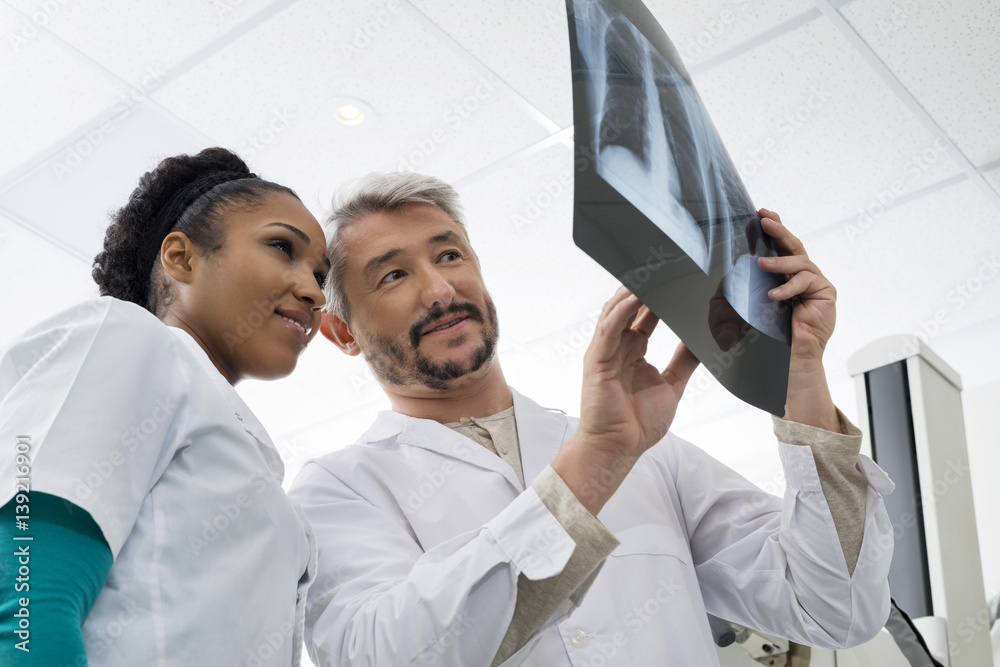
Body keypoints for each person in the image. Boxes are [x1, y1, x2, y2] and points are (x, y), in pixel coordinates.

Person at [289, 172, 895, 666]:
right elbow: (386, 657)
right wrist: (597, 462)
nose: (441, 288)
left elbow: (833, 606)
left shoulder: (651, 452)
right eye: (394, 274)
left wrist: (802, 373)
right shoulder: (339, 489)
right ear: (342, 331)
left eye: (449, 255)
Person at [0, 147, 330, 666]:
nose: (314, 292)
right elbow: (23, 598)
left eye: (321, 275)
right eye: (282, 247)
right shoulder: (128, 338)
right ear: (181, 257)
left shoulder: (248, 459)